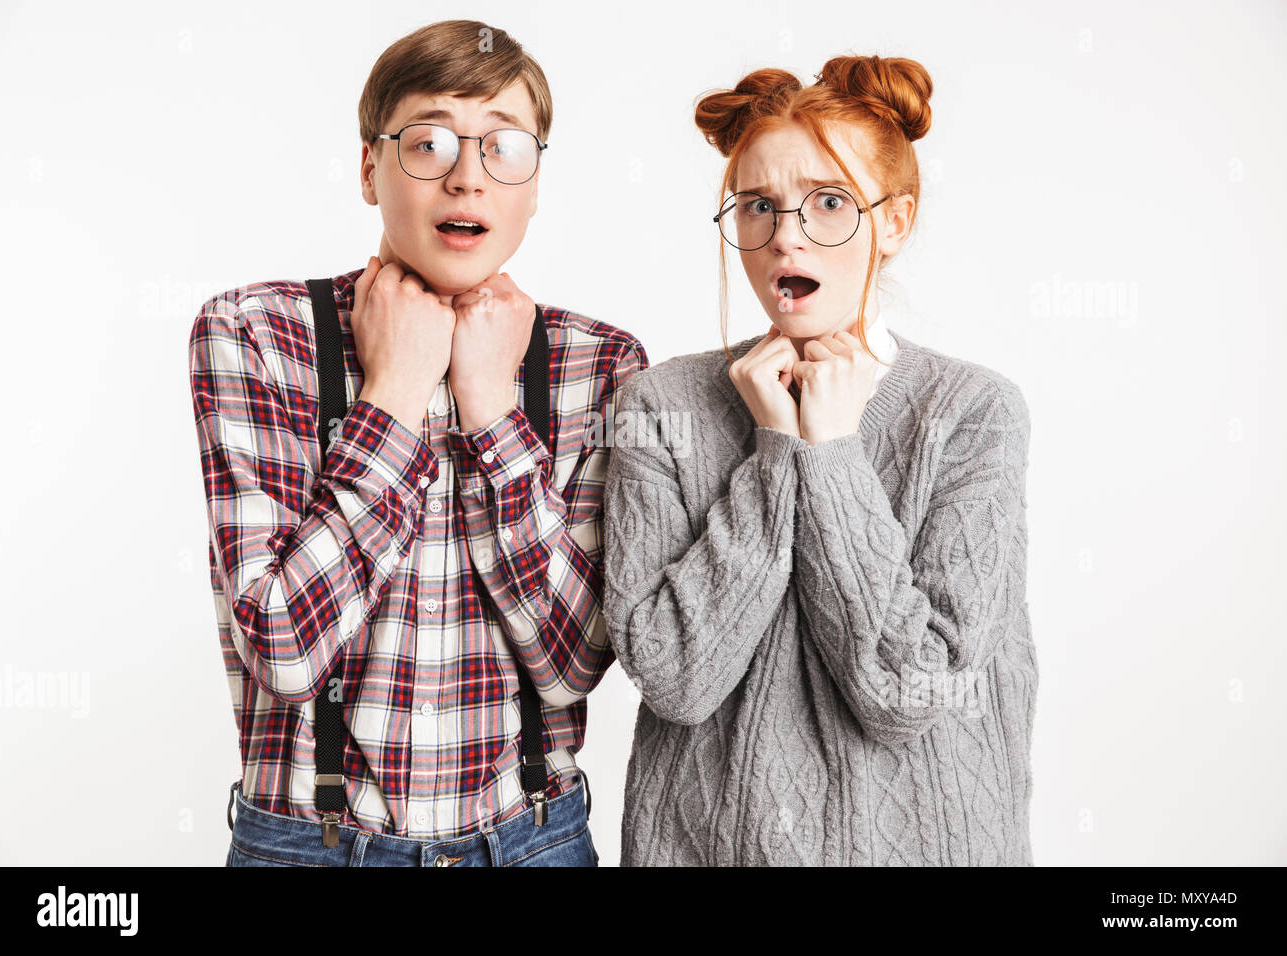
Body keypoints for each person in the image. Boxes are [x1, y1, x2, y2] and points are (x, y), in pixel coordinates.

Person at [188, 19, 647, 867]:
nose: (468, 177)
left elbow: (571, 665)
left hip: (532, 842)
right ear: (370, 167)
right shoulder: (255, 334)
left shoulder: (599, 364)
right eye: (429, 141)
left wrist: (490, 412)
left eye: (503, 146)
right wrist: (392, 397)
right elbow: (284, 651)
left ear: (535, 182)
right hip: (312, 845)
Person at [602, 54, 1036, 865]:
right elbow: (674, 679)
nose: (785, 237)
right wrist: (776, 453)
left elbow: (908, 690)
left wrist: (832, 454)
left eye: (828, 202)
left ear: (895, 221)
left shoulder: (973, 413)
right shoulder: (660, 406)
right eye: (758, 206)